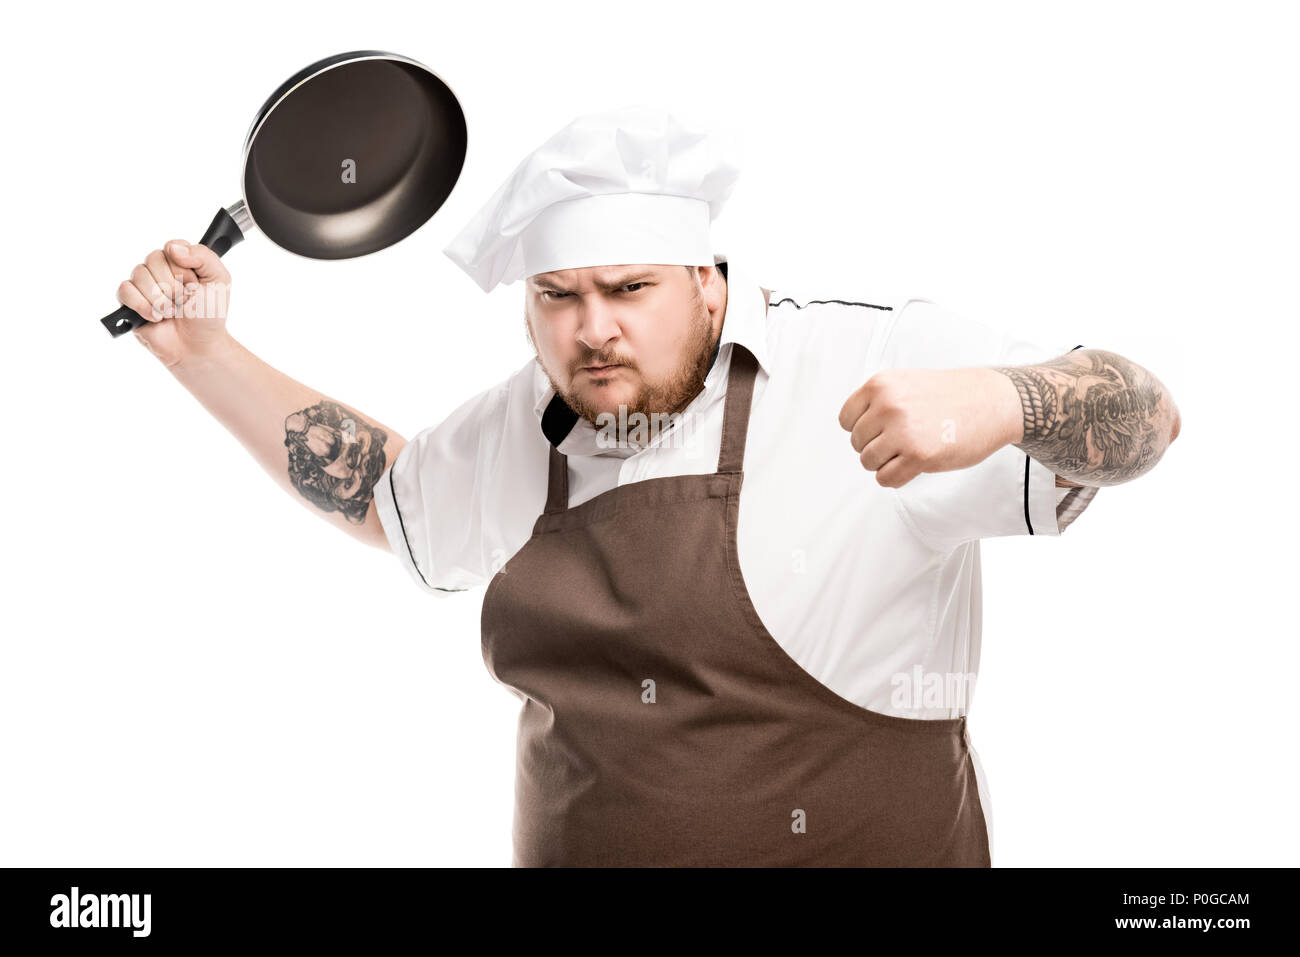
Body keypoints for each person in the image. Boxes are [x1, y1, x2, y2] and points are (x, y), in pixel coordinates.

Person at [115, 105, 1181, 867]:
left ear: (709, 288)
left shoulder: (867, 362)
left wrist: (1011, 404)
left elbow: (1146, 413)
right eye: (557, 297)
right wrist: (199, 353)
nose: (594, 331)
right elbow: (391, 501)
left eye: (630, 289)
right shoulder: (531, 413)